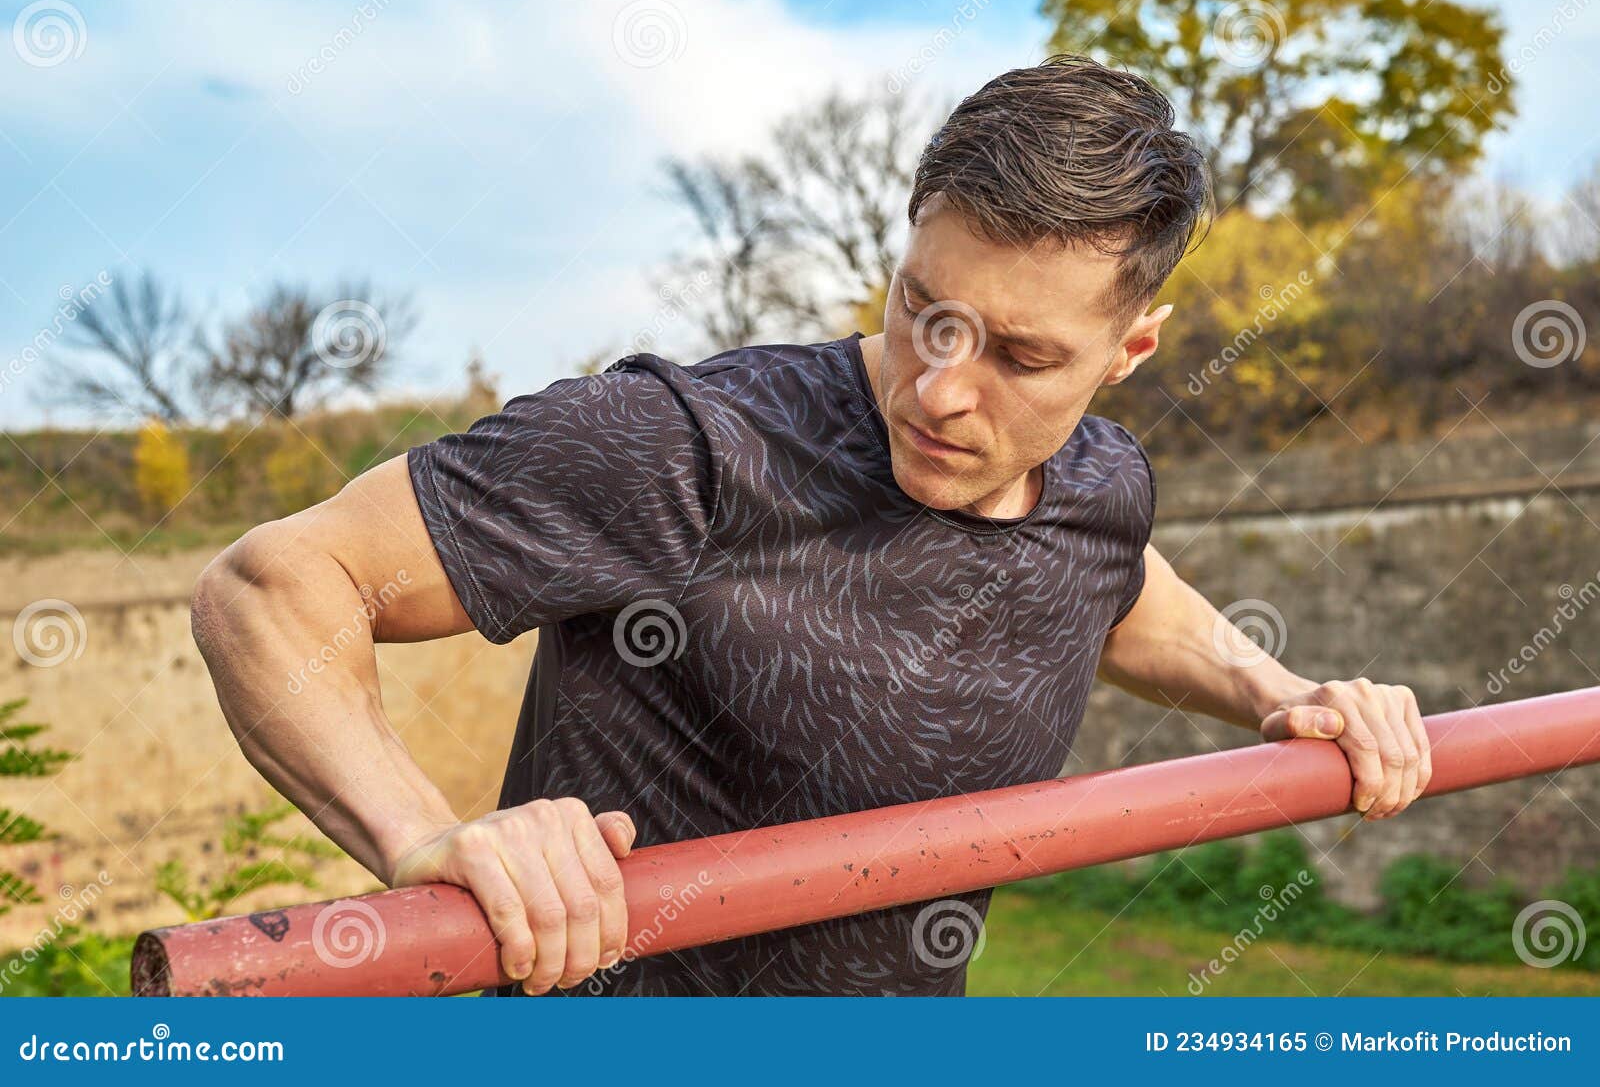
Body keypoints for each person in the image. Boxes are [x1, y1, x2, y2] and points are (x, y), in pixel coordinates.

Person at [191, 54, 1430, 997]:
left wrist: (1285, 693)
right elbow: (275, 585)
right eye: (923, 310)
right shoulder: (684, 445)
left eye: (1023, 355)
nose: (941, 387)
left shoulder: (1099, 480)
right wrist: (427, 837)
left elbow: (1115, 586)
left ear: (1127, 352)